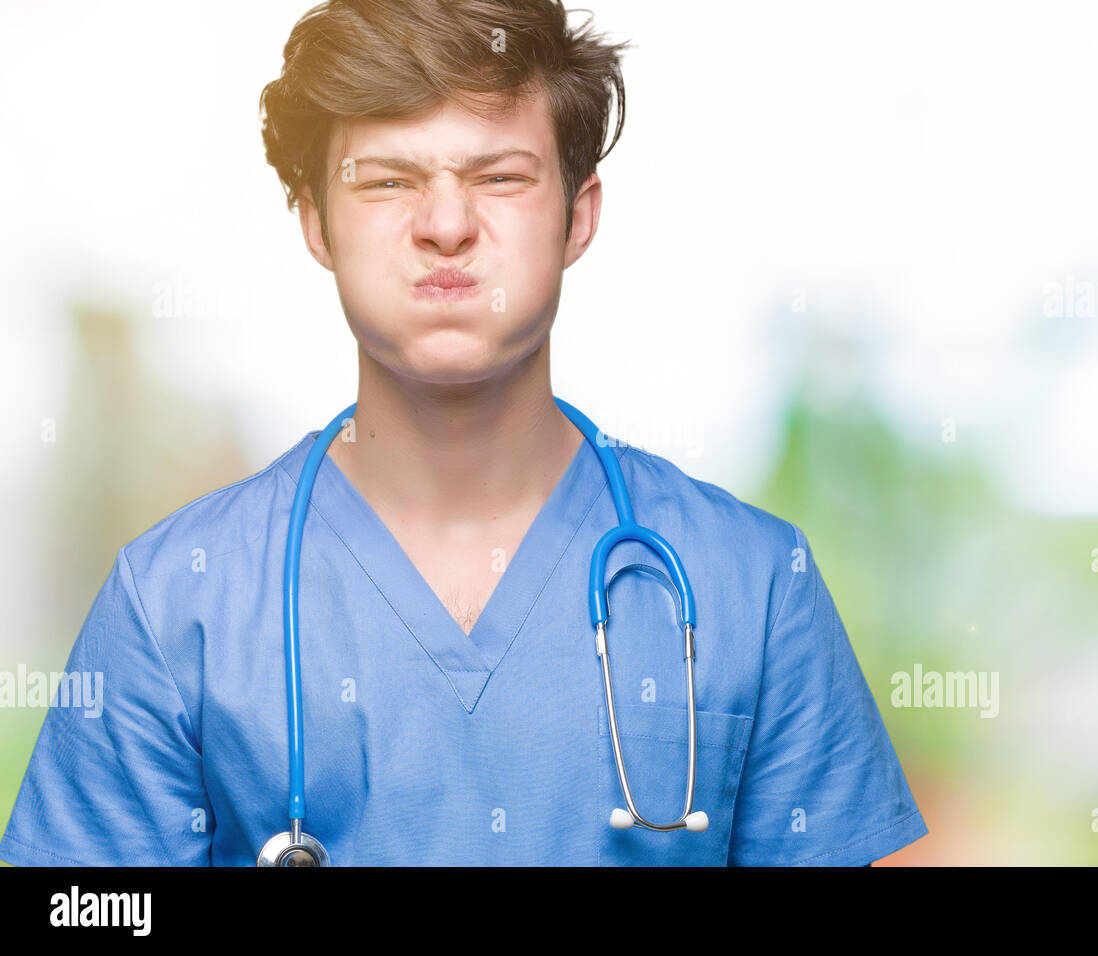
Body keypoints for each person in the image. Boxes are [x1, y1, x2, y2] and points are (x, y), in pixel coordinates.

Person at [0, 0, 927, 866]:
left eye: (501, 177)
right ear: (314, 221)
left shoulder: (755, 588)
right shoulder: (175, 607)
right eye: (388, 180)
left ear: (579, 216)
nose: (446, 225)